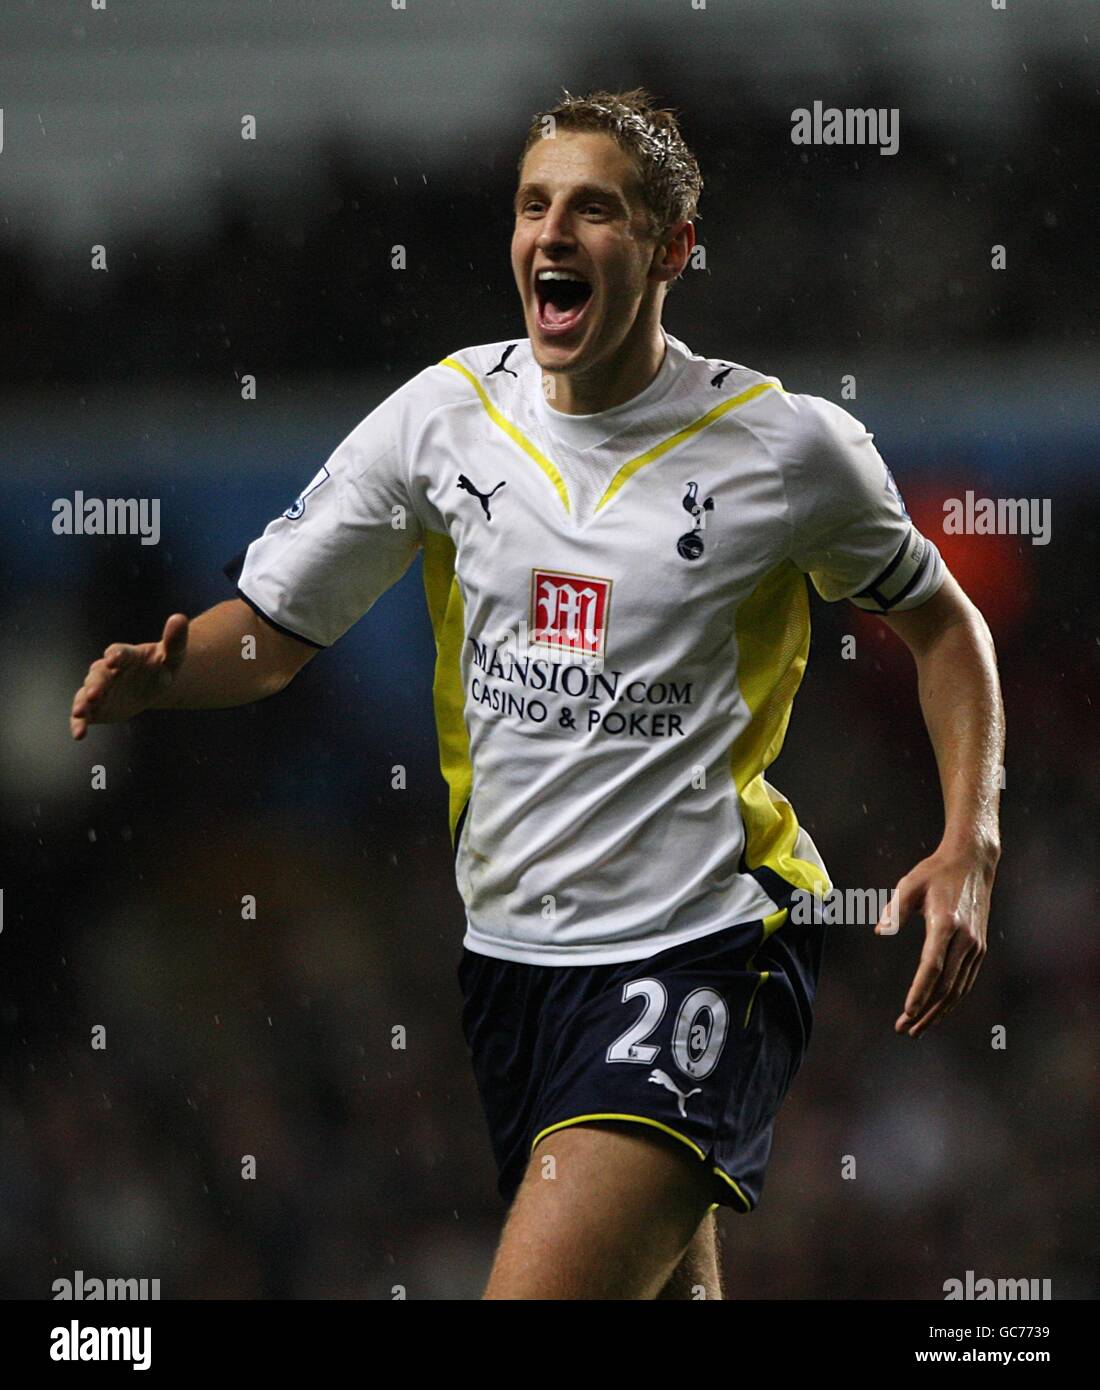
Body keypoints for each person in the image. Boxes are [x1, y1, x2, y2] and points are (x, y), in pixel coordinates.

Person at [69, 88, 1004, 1300]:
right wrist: (169, 675)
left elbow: (941, 624)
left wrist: (966, 838)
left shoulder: (785, 449)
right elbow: (279, 636)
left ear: (670, 248)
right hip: (511, 966)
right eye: (532, 204)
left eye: (594, 210)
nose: (551, 233)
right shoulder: (442, 421)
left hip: (703, 944)